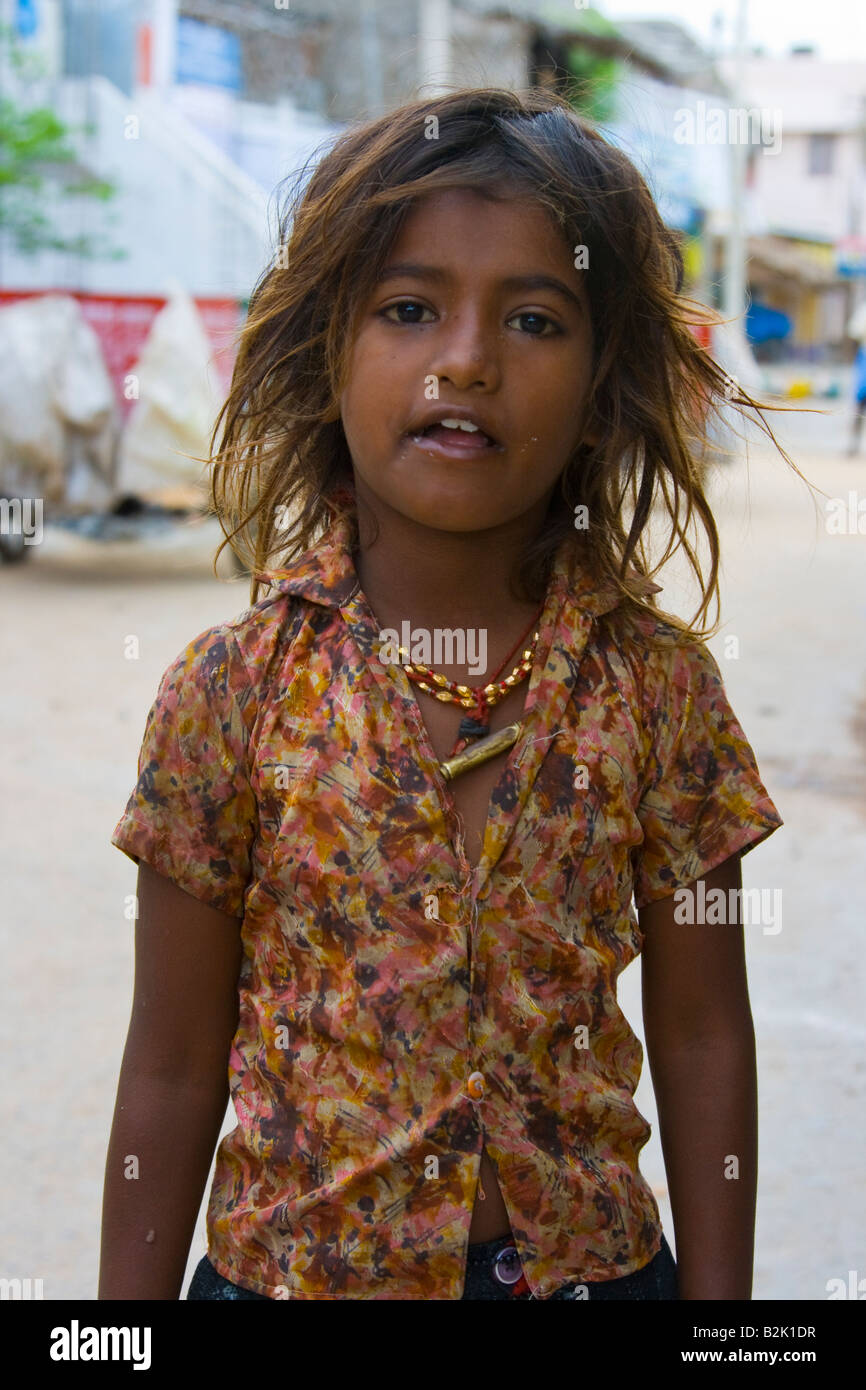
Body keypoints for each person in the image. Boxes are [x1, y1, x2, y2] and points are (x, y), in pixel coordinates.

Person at [98, 87, 795, 1302]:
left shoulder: (659, 691)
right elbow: (167, 1062)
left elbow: (698, 1033)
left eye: (533, 319)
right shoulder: (230, 691)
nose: (464, 359)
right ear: (330, 349)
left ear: (600, 388)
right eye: (408, 309)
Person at [847, 341, 866, 455]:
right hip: (861, 391)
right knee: (857, 419)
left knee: (857, 420)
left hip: (861, 389)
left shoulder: (861, 353)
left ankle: (853, 447)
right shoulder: (861, 353)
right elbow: (858, 372)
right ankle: (853, 447)